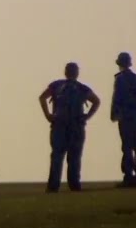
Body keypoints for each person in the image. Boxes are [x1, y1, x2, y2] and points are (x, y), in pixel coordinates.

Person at [38, 63, 101, 192]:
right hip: (76, 126)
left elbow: (42, 97)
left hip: (59, 125)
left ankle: (53, 186)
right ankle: (74, 185)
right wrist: (87, 116)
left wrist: (48, 115)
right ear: (77, 73)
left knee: (57, 157)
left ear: (65, 72)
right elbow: (96, 101)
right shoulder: (82, 88)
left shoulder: (57, 85)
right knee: (74, 157)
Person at [111, 52, 136, 187]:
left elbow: (116, 98)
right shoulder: (135, 79)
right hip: (135, 116)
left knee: (127, 146)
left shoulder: (120, 79)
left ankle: (129, 176)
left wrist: (116, 113)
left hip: (126, 116)